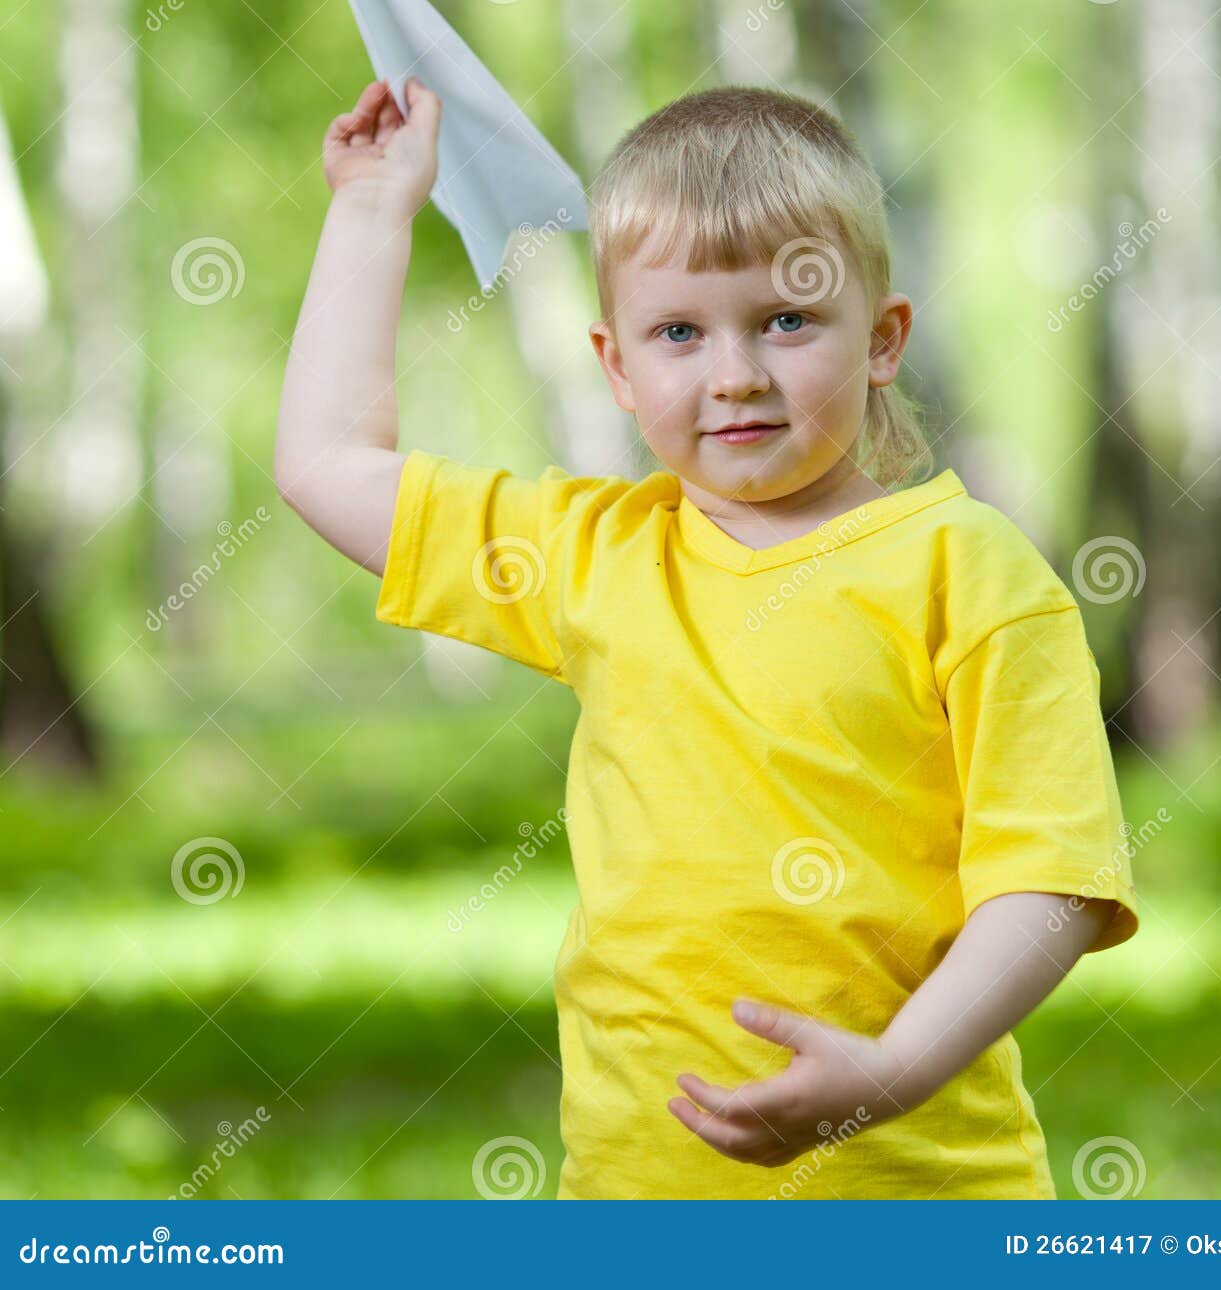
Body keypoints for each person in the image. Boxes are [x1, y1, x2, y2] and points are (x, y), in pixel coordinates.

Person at [274, 75, 1139, 1200]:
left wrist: (891, 1069)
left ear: (881, 339)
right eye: (679, 331)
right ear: (619, 369)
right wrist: (373, 209)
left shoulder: (969, 572)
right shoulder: (593, 553)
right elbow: (325, 466)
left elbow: (1053, 886)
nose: (734, 374)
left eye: (786, 319)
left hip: (917, 1208)